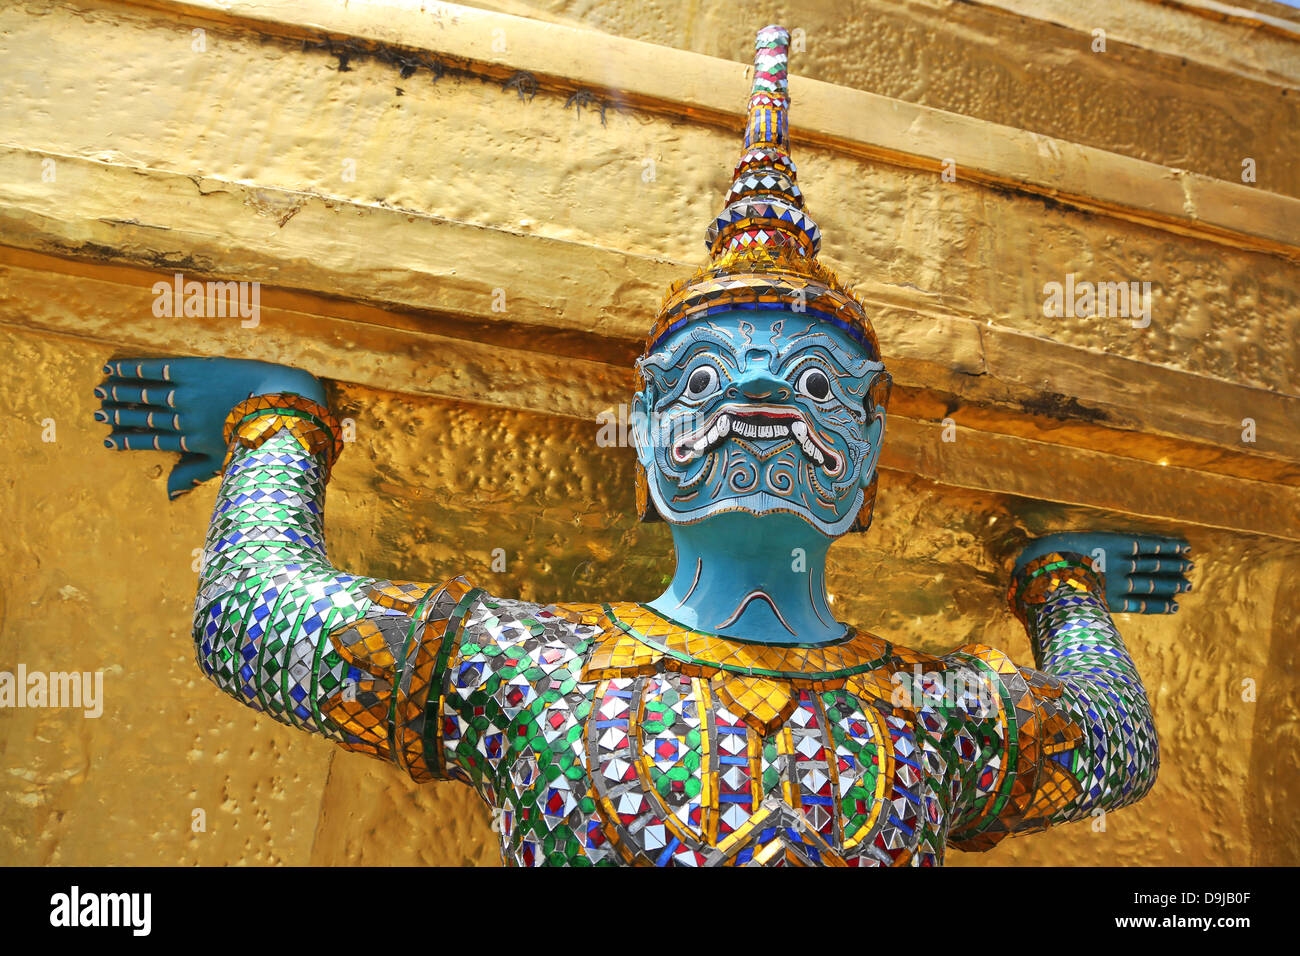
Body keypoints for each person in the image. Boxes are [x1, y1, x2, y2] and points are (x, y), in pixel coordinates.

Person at [95, 26, 1189, 866]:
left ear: (865, 455)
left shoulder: (940, 714)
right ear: (652, 435)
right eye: (708, 379)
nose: (760, 394)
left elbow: (1113, 742)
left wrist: (1061, 583)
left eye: (813, 384)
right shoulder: (524, 671)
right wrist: (282, 419)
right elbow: (251, 613)